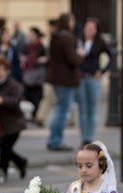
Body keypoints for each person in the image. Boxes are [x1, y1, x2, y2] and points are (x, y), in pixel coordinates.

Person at [45, 13, 81, 151]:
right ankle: (56, 140)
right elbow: (72, 59)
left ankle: (53, 138)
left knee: (58, 109)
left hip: (56, 78)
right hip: (66, 79)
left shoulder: (56, 36)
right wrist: (80, 55)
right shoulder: (67, 38)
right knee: (62, 111)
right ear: (68, 22)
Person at [76, 17, 114, 146]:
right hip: (81, 77)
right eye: (87, 28)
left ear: (96, 30)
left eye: (91, 28)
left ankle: (90, 137)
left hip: (93, 78)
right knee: (82, 109)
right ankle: (83, 137)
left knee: (92, 109)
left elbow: (112, 56)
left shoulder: (100, 43)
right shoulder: (79, 41)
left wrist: (102, 71)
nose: (89, 30)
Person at [22, 27, 48, 121]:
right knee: (28, 95)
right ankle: (31, 115)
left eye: (32, 35)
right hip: (28, 74)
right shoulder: (27, 46)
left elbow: (45, 58)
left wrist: (40, 60)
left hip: (37, 76)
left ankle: (36, 115)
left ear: (37, 36)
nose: (30, 37)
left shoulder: (41, 47)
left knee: (37, 96)